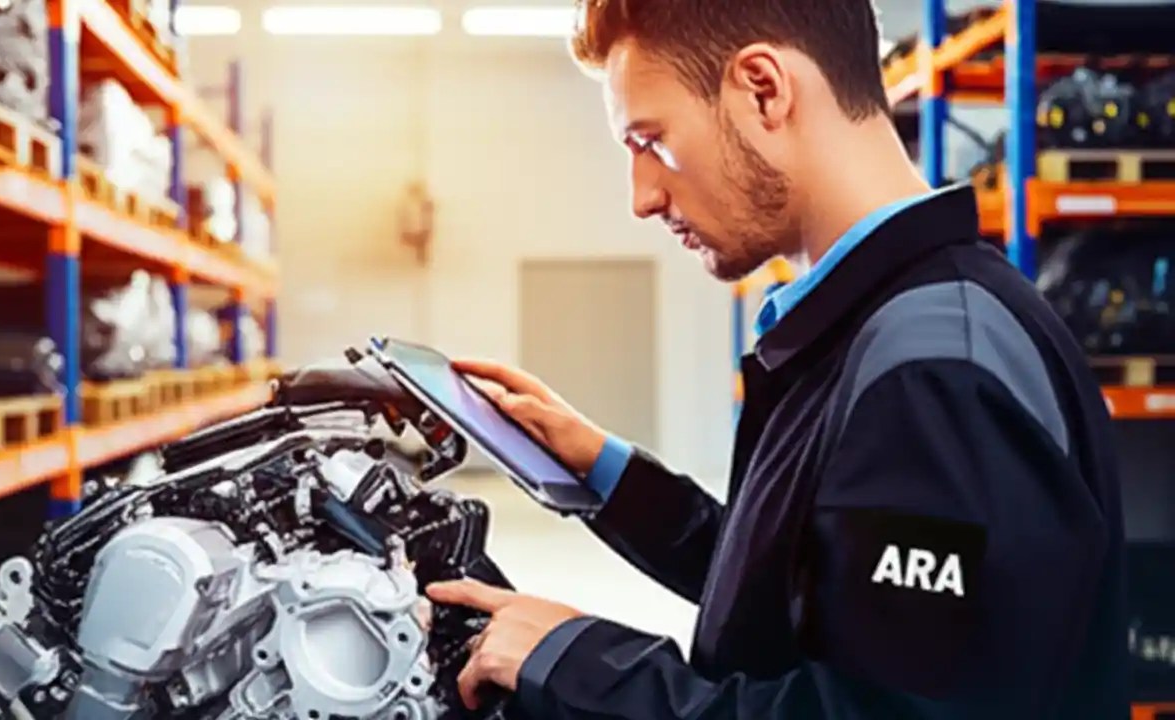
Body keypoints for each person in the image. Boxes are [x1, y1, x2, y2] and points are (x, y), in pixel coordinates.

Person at [425, 0, 1131, 717]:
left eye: (651, 141)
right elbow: (806, 601)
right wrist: (608, 475)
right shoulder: (887, 325)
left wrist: (576, 662)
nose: (643, 196)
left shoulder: (934, 368)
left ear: (764, 89)